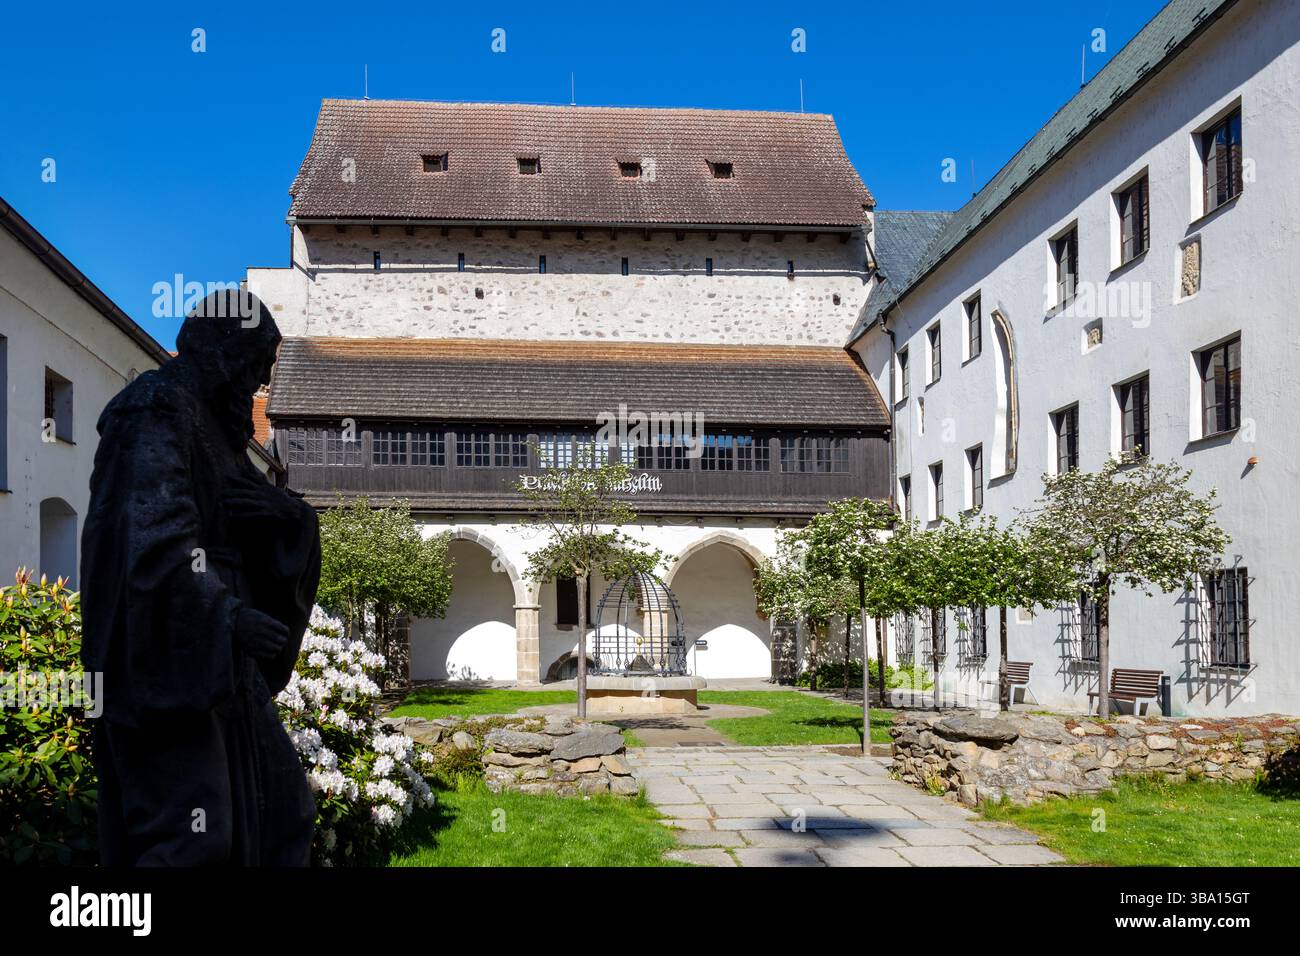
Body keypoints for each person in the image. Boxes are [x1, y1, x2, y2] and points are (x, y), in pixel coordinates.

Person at [81, 289, 320, 865]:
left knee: (283, 810)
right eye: (254, 369)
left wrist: (292, 519)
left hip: (218, 658)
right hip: (163, 655)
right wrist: (229, 617)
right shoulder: (156, 409)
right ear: (224, 353)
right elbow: (149, 542)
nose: (257, 387)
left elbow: (267, 512)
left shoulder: (220, 429)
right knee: (193, 835)